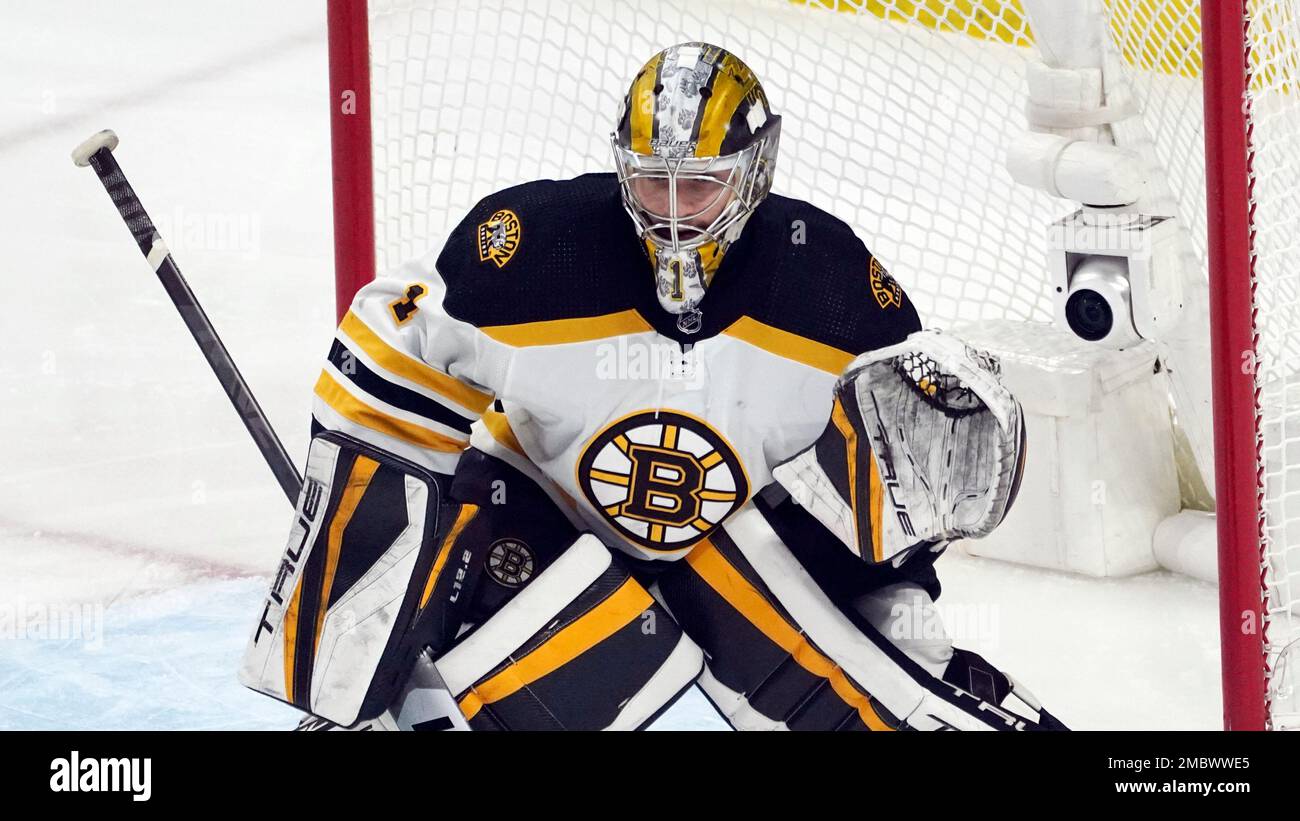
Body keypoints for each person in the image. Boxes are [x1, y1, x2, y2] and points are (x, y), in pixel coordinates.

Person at [241, 42, 1064, 731]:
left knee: (882, 696)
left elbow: (889, 488)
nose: (672, 214)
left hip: (726, 541)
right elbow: (390, 342)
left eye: (699, 184)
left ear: (754, 170)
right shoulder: (536, 251)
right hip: (536, 511)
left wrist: (901, 628)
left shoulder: (834, 291)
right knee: (468, 695)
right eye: (651, 182)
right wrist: (374, 561)